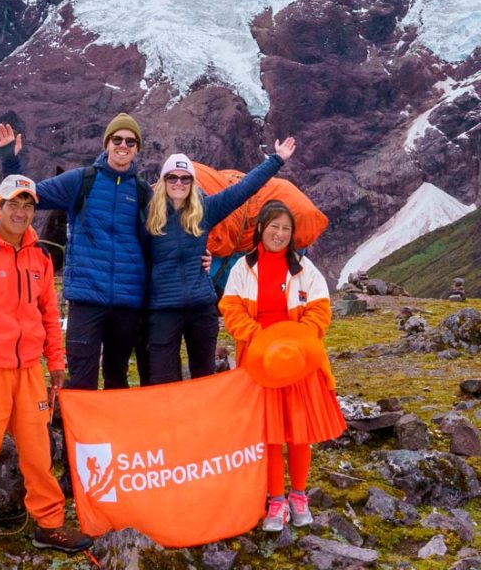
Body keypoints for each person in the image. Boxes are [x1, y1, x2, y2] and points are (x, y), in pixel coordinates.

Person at [0, 174, 93, 569]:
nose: (22, 212)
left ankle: (49, 525)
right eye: (14, 204)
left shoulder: (39, 258)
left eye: (28, 206)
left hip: (28, 373)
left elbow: (48, 314)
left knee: (39, 455)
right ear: (0, 207)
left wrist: (55, 362)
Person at [0, 114, 151, 391]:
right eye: (117, 139)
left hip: (127, 302)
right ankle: (79, 434)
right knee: (81, 379)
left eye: (130, 141)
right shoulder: (81, 181)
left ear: (137, 148)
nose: (122, 145)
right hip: (86, 299)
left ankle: (114, 434)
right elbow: (27, 195)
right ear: (107, 144)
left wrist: (201, 254)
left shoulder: (142, 191)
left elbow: (166, 232)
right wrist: (10, 160)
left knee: (118, 377)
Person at [219, 199, 345, 531]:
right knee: (271, 433)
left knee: (298, 430)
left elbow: (320, 310)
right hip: (260, 363)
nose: (279, 234)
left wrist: (299, 337)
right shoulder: (242, 269)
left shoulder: (305, 268)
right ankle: (276, 500)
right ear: (260, 228)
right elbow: (231, 311)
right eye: (273, 226)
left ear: (292, 234)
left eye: (286, 229)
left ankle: (298, 494)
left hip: (298, 361)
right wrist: (258, 336)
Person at [144, 137, 297, 384]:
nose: (179, 183)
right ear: (163, 182)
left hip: (201, 308)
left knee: (204, 377)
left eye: (185, 178)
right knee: (163, 380)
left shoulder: (204, 210)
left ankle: (205, 423)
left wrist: (276, 160)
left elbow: (243, 190)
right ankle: (171, 423)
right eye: (172, 177)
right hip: (163, 310)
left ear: (192, 183)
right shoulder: (148, 216)